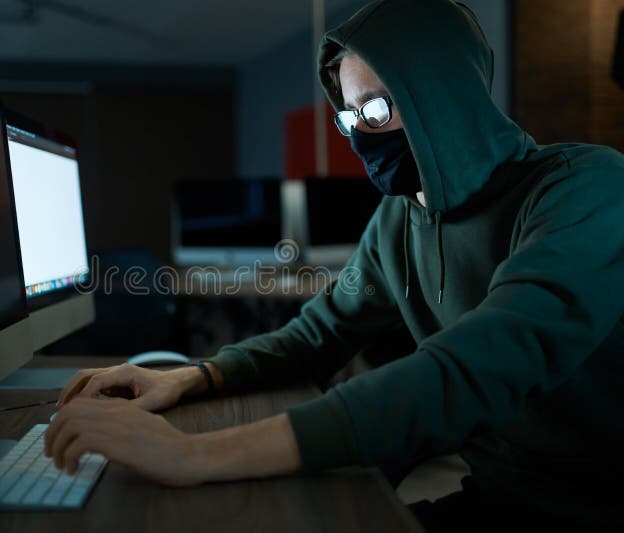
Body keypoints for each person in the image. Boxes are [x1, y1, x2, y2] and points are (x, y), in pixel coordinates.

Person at [44, 0, 624, 530]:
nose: (360, 135)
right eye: (350, 116)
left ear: (443, 95)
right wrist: (190, 376)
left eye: (376, 107)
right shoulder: (399, 218)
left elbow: (478, 365)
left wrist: (190, 454)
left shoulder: (587, 189)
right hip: (499, 495)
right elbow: (318, 334)